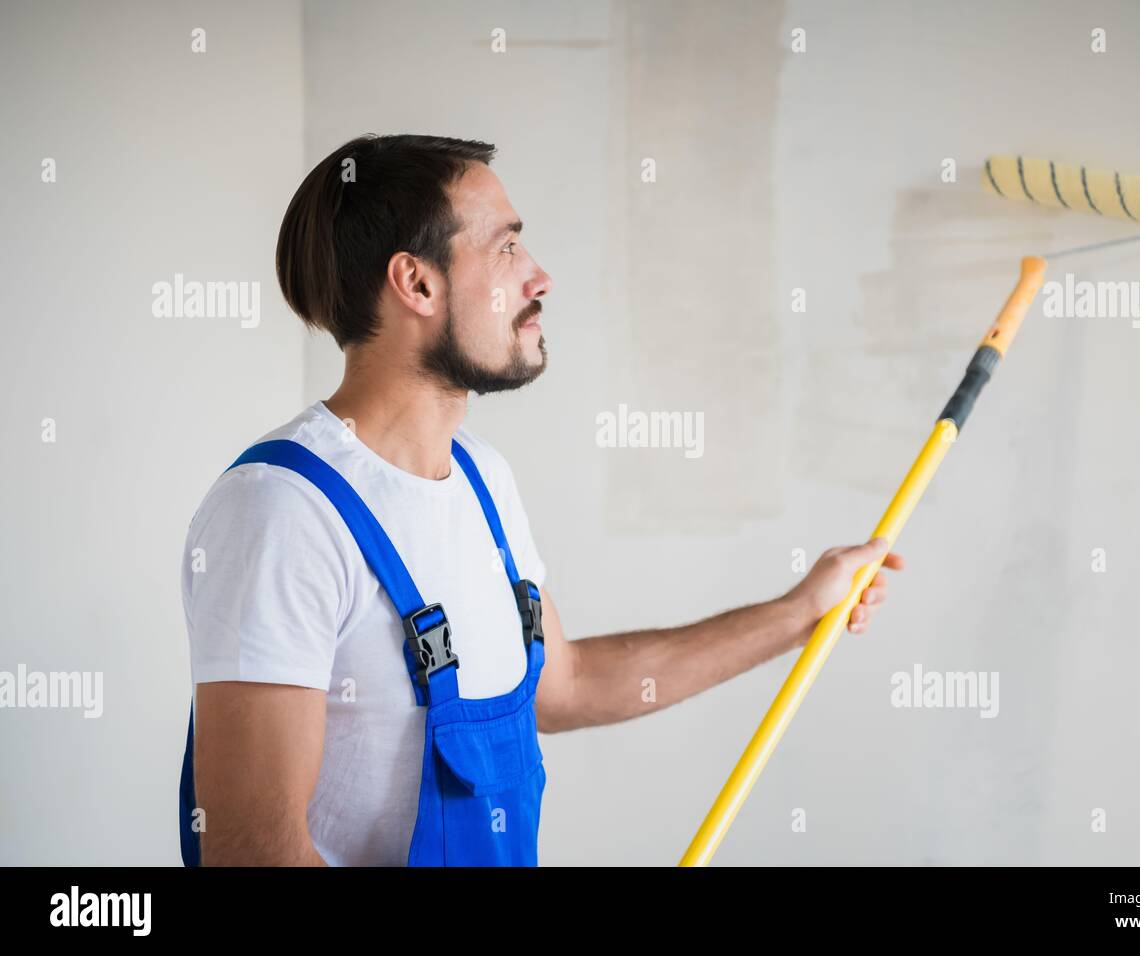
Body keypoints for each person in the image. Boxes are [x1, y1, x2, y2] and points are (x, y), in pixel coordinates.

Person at [178, 134, 903, 866]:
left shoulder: (481, 478)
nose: (540, 276)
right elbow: (251, 854)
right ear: (417, 284)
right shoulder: (283, 512)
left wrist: (798, 612)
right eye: (506, 248)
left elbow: (567, 685)